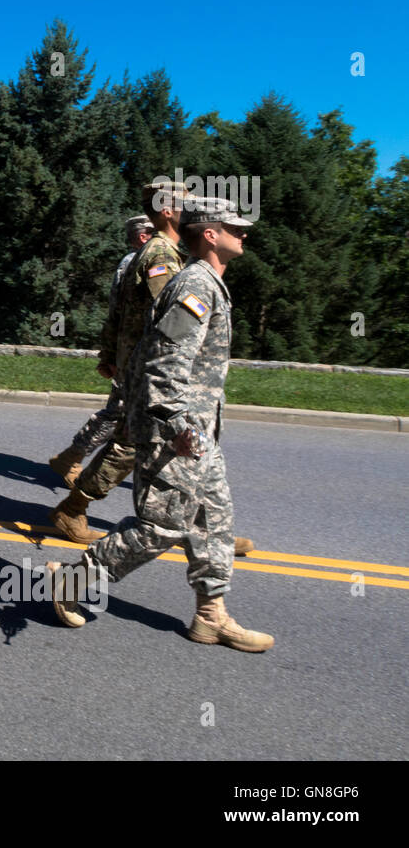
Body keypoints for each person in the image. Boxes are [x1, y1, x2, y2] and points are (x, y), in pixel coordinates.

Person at [48, 197, 273, 653]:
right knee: (163, 526)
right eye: (234, 227)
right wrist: (177, 425)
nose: (242, 234)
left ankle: (211, 616)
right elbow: (163, 365)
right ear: (210, 234)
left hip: (198, 431)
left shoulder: (209, 282)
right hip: (176, 432)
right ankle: (73, 579)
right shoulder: (194, 285)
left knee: (213, 520)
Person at [48, 214, 154, 487]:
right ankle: (74, 458)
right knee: (119, 411)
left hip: (141, 352)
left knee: (132, 413)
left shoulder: (147, 261)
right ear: (143, 237)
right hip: (133, 353)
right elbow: (117, 313)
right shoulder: (134, 263)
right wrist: (112, 354)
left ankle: (74, 457)